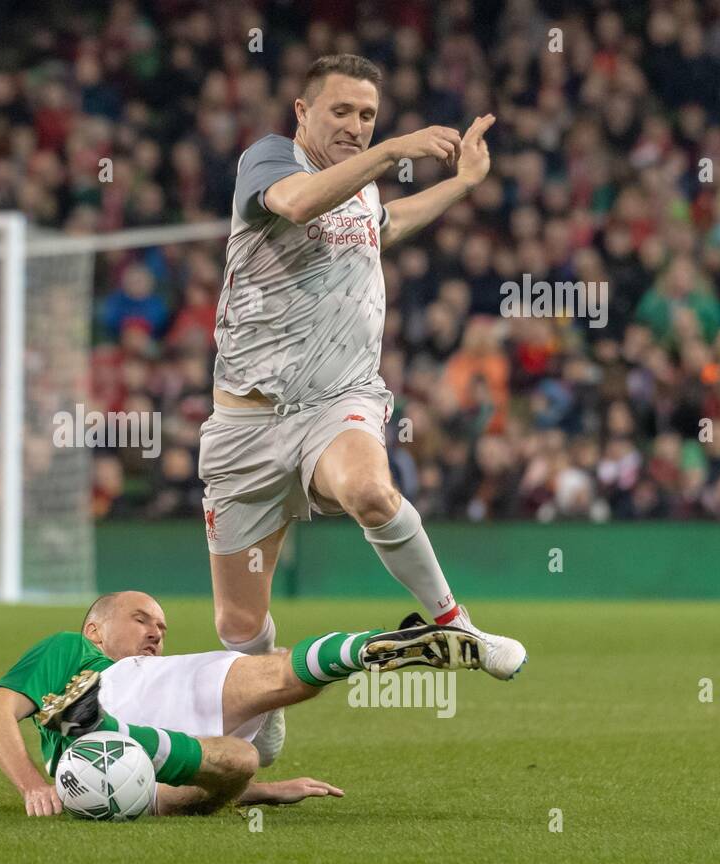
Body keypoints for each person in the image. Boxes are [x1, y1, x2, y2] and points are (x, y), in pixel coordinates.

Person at [200, 55, 526, 766]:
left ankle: (453, 626)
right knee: (238, 620)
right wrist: (391, 151)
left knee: (370, 491)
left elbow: (386, 221)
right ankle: (264, 690)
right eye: (342, 111)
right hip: (245, 425)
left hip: (336, 401)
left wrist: (463, 182)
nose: (355, 126)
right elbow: (296, 204)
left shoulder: (358, 188)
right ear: (302, 111)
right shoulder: (269, 161)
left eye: (368, 115)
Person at [0, 590, 508, 817]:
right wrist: (31, 787)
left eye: (162, 627)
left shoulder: (156, 663)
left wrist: (266, 794)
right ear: (96, 626)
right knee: (276, 671)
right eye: (142, 620)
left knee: (241, 762)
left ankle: (104, 742)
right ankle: (378, 645)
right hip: (117, 689)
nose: (157, 631)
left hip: (113, 774)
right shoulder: (70, 647)